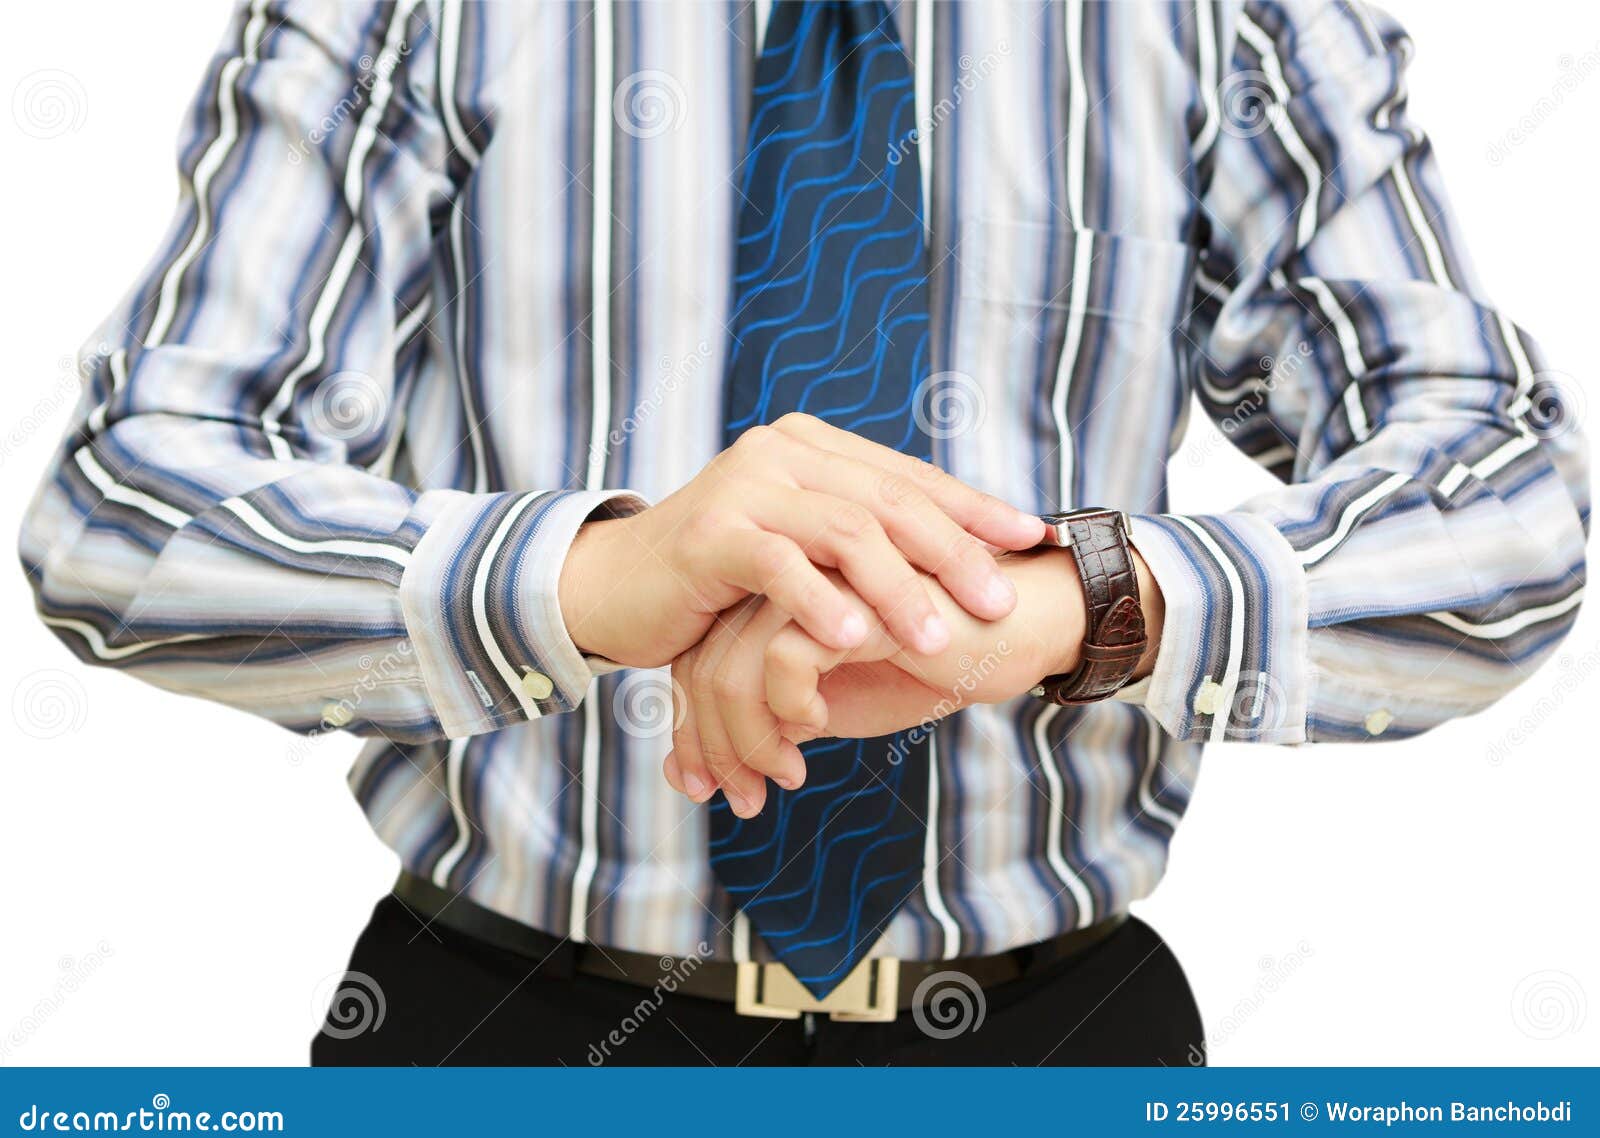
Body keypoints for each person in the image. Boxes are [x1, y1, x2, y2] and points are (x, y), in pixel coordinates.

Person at [20, 0, 1587, 1066]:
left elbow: (1508, 495)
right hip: (498, 1034)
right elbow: (123, 502)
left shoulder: (1220, 21)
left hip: (1057, 1048)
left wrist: (1060, 601)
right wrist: (599, 578)